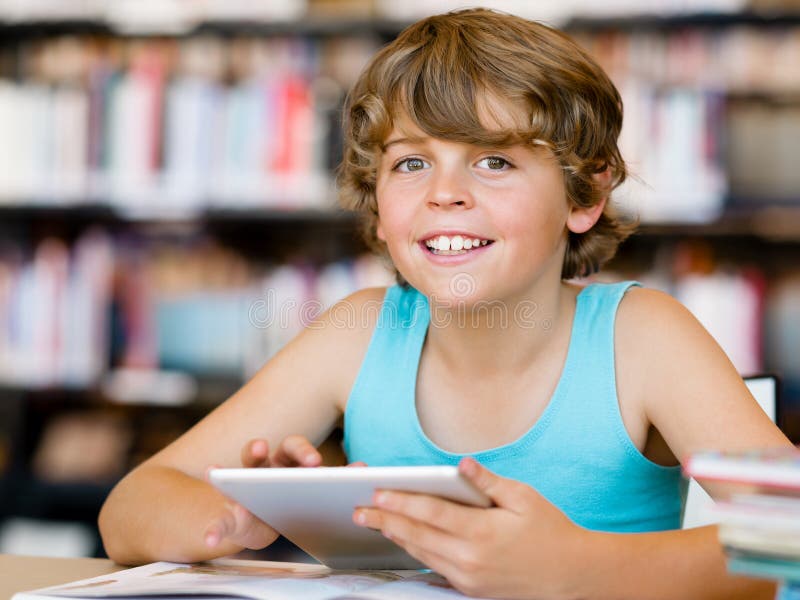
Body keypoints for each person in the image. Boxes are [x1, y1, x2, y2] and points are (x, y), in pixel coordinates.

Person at [98, 8, 792, 599]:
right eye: (410, 162)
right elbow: (130, 507)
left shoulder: (643, 338)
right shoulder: (357, 333)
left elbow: (786, 537)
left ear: (585, 195)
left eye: (494, 161)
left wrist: (572, 568)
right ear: (377, 199)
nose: (443, 193)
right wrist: (234, 518)